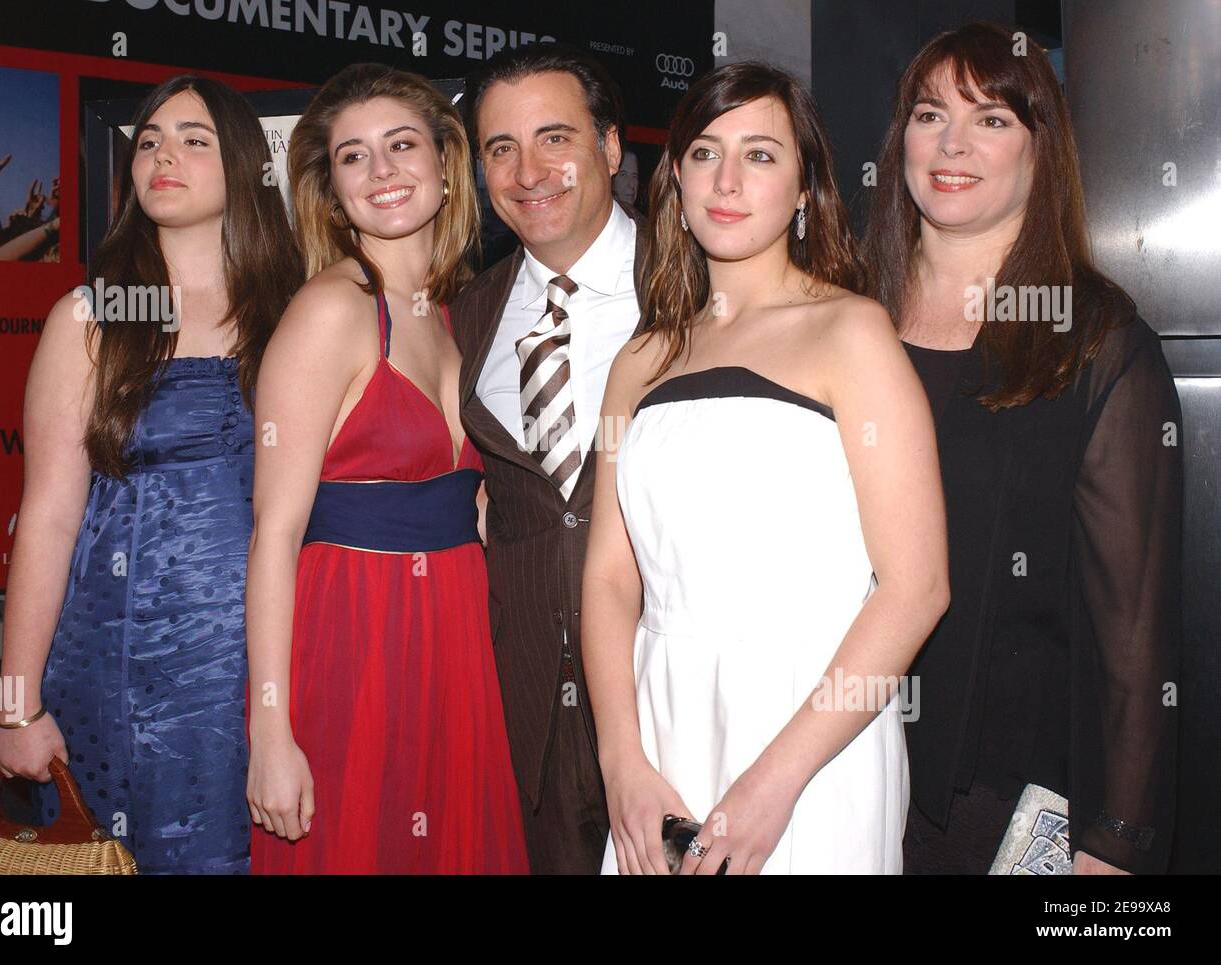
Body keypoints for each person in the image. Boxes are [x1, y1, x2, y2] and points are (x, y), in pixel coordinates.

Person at [582, 61, 949, 875]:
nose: (728, 180)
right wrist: (621, 763)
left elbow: (916, 587)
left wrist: (775, 783)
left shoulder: (853, 335)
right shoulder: (636, 362)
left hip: (814, 740)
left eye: (761, 155)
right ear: (674, 179)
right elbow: (610, 577)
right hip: (661, 736)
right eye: (705, 152)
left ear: (806, 189)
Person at [861, 21, 1182, 875]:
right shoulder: (842, 321)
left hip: (1000, 808)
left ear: (1043, 148)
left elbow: (1136, 633)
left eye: (993, 119)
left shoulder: (1095, 343)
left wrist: (1112, 849)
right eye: (931, 115)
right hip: (834, 769)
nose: (954, 143)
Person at [0, 75, 303, 873]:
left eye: (194, 140)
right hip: (122, 671)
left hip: (271, 666)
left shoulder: (297, 314)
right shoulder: (91, 318)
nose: (165, 154)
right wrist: (16, 703)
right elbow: (49, 517)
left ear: (241, 164)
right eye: (151, 140)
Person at [245, 63, 528, 874]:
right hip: (352, 643)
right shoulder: (329, 311)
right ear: (332, 192)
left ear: (447, 165)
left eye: (401, 145)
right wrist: (271, 731)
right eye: (353, 157)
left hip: (458, 641)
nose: (381, 172)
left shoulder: (460, 312)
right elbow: (273, 533)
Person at [451, 42, 644, 874]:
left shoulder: (704, 287)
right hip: (519, 711)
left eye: (555, 138)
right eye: (501, 147)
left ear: (608, 148)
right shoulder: (463, 314)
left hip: (671, 696)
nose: (528, 170)